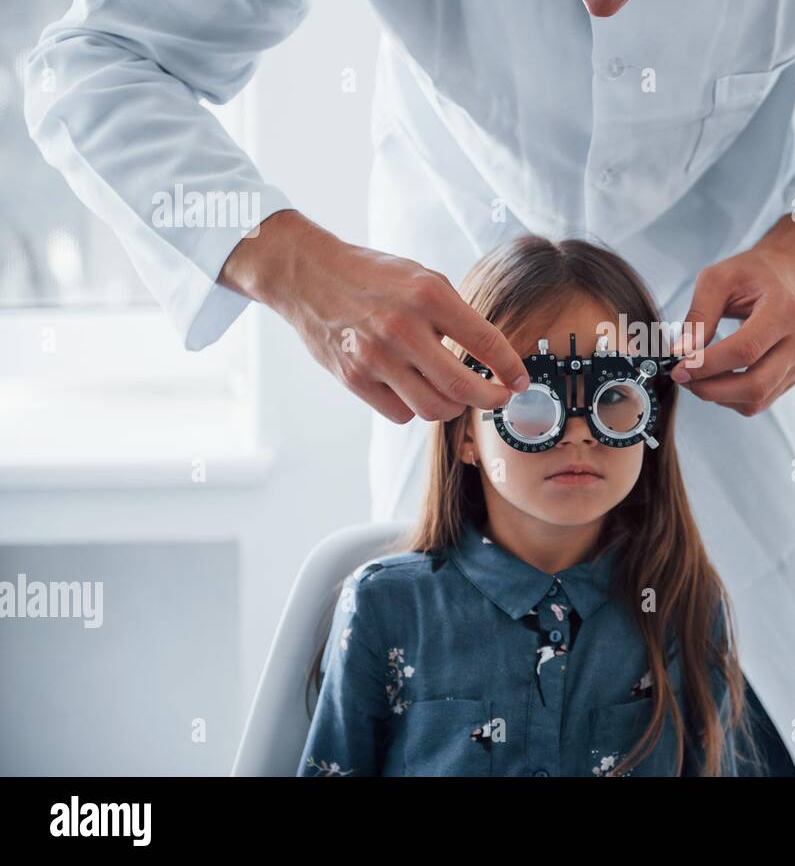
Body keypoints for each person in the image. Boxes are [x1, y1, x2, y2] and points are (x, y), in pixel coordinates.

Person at [25, 0, 795, 776]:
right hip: (445, 315)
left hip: (732, 449)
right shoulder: (386, 621)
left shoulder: (707, 613)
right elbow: (97, 60)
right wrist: (294, 265)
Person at [299, 235, 758, 776]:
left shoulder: (683, 606)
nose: (580, 434)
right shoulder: (388, 608)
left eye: (613, 399)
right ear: (465, 433)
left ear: (648, 418)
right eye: (532, 402)